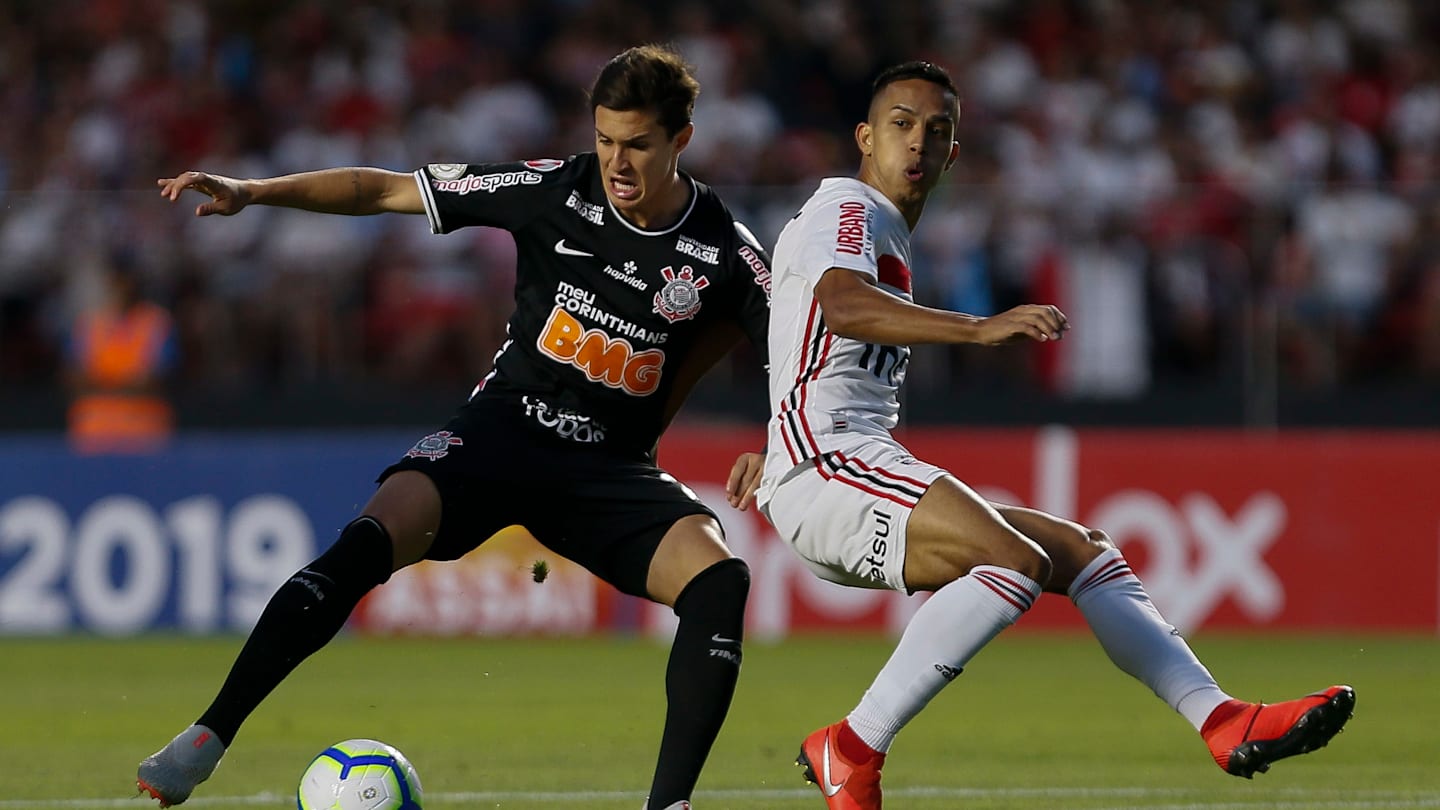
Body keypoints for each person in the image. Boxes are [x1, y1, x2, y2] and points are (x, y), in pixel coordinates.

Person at [138, 45, 772, 810]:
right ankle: (210, 734)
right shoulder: (553, 189)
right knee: (371, 535)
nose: (617, 161)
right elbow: (383, 190)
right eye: (606, 140)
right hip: (503, 429)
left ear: (682, 140)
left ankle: (668, 806)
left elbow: (799, 352)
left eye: (638, 143)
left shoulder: (728, 253)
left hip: (607, 466)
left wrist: (776, 439)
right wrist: (252, 189)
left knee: (720, 580)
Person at [723, 61, 1354, 810]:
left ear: (954, 153)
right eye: (900, 124)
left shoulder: (879, 224)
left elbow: (802, 330)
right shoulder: (850, 209)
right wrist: (979, 328)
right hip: (829, 465)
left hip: (840, 461)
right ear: (865, 136)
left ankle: (1221, 720)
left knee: (1083, 551)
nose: (917, 143)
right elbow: (842, 306)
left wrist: (776, 432)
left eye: (937, 130)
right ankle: (852, 748)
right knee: (1014, 562)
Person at [66, 252, 177, 454]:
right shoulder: (89, 323)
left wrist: (102, 379)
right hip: (93, 433)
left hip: (145, 432)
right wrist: (129, 380)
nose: (122, 285)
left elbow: (154, 381)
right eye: (117, 279)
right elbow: (76, 379)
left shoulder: (157, 322)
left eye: (126, 278)